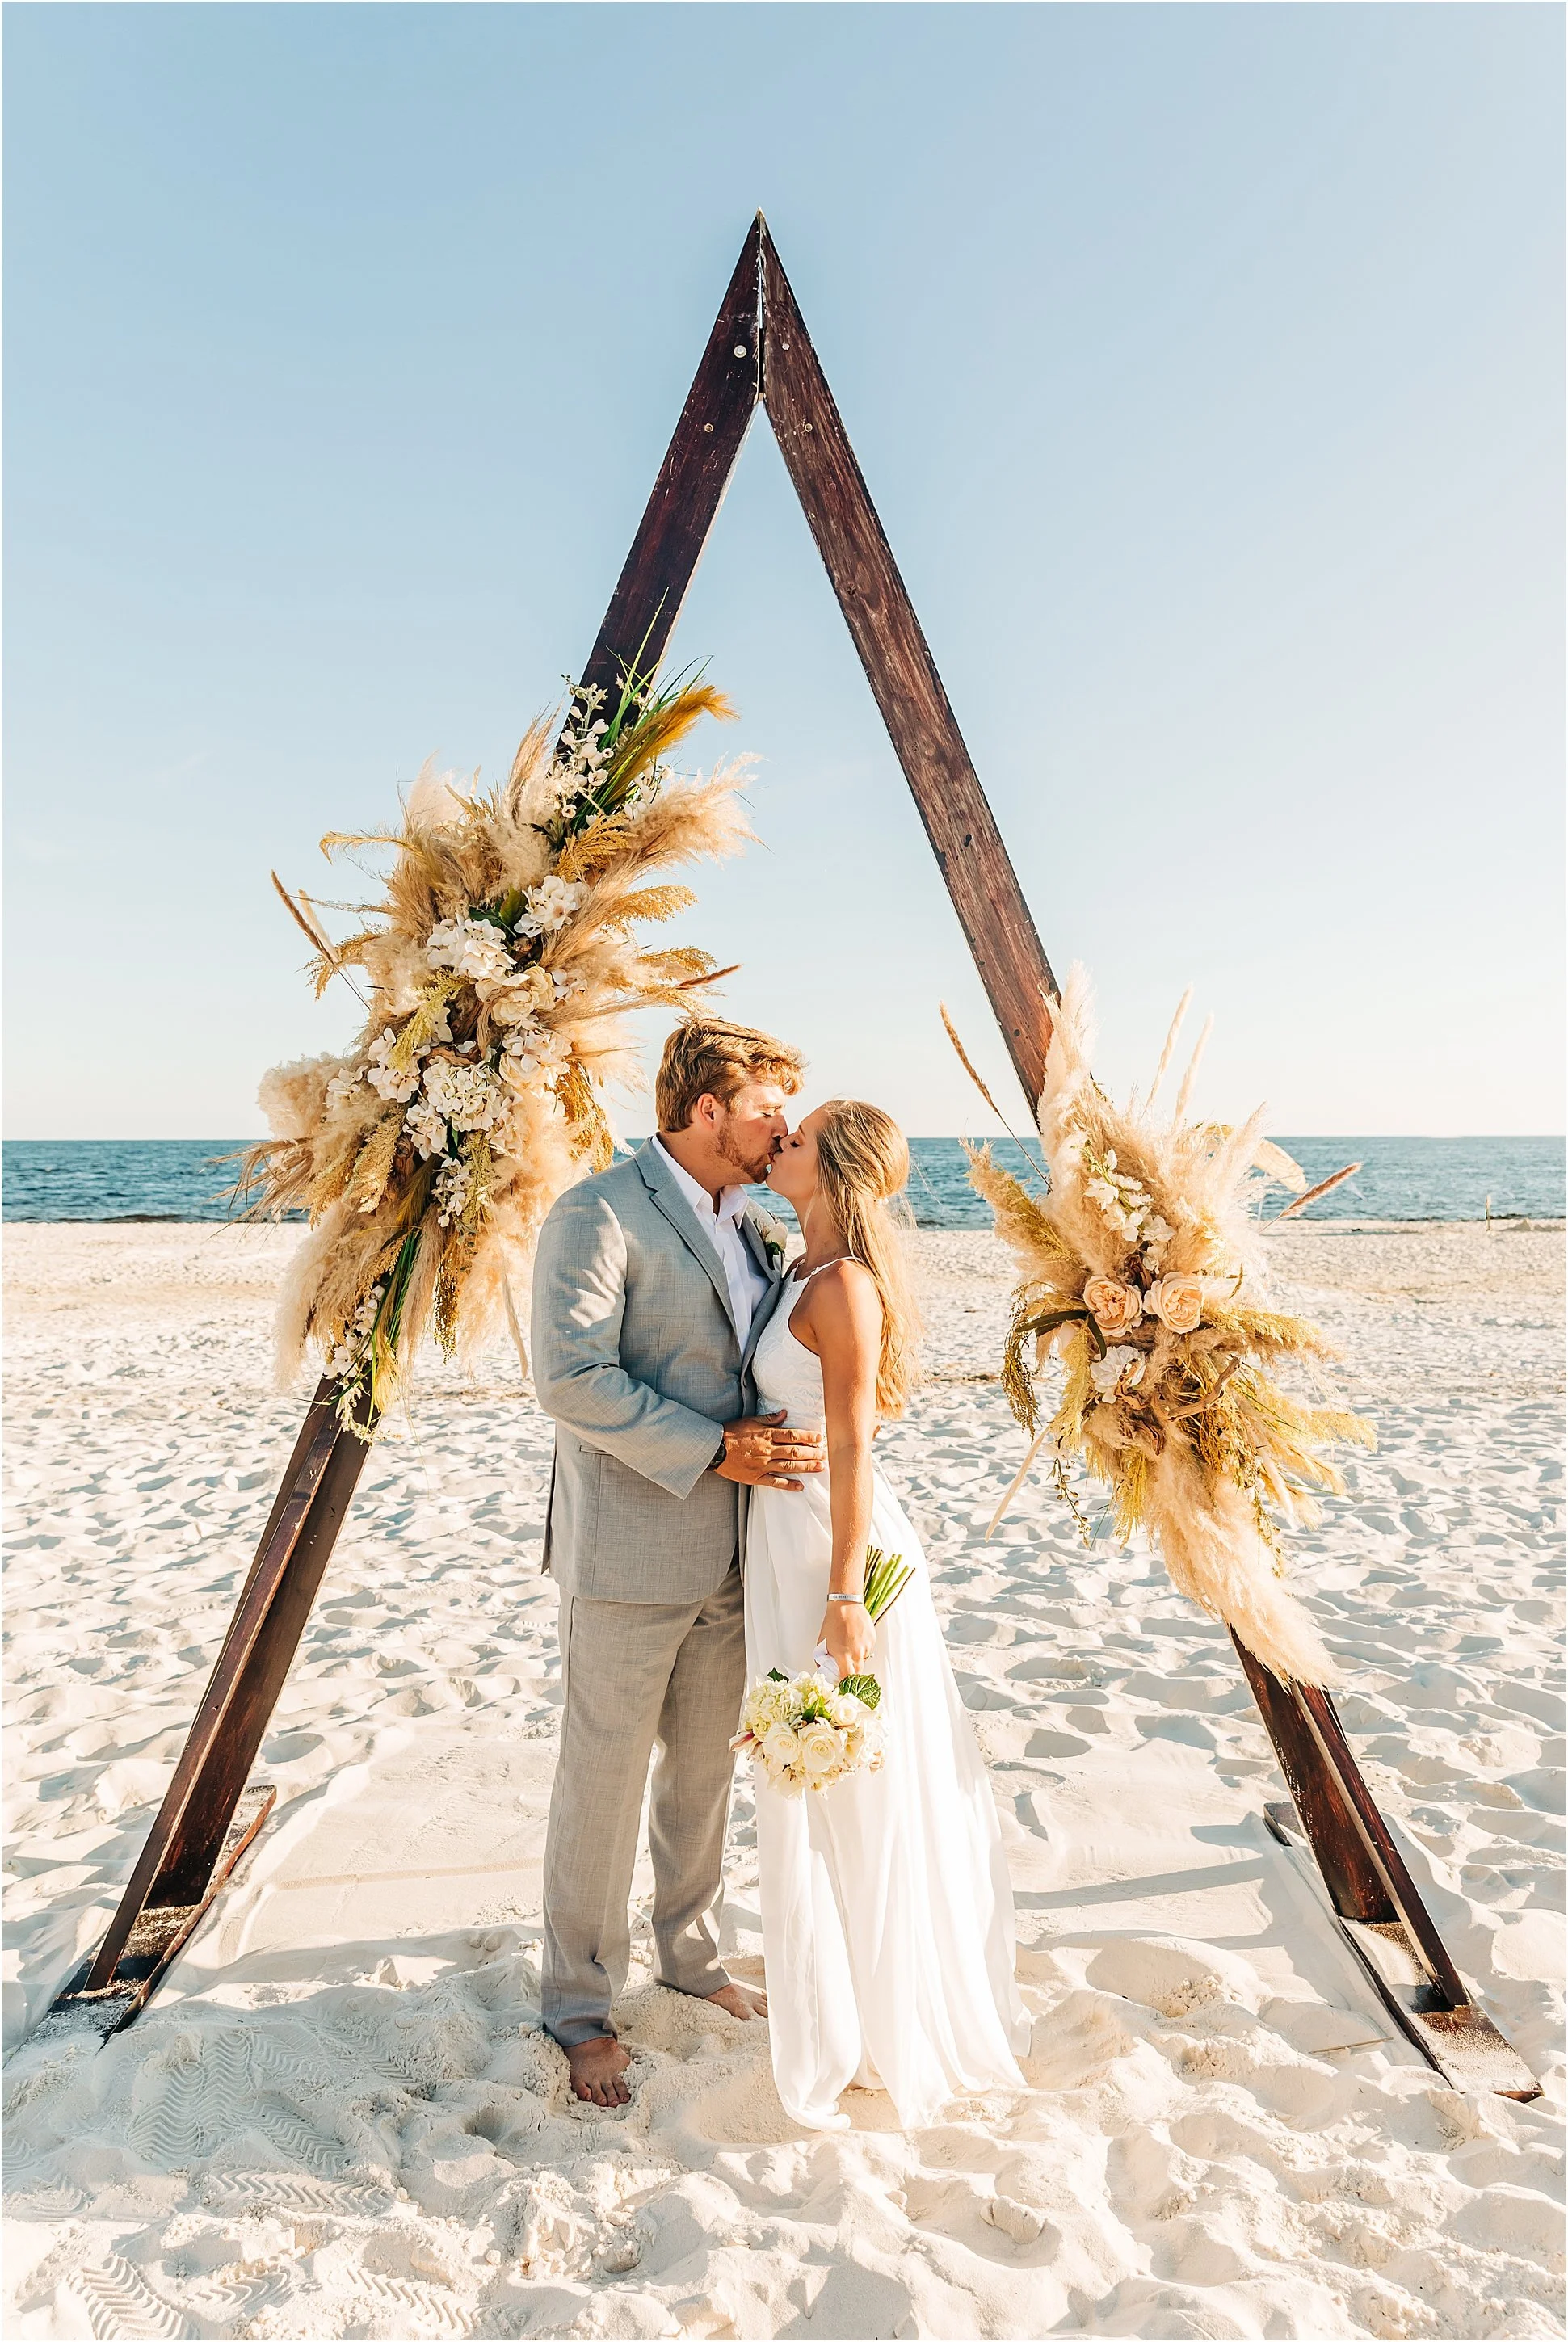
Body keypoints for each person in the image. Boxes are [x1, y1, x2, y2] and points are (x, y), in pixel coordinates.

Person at [529, 1016, 823, 2108]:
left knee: (702, 1781)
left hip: (739, 1555)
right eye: (765, 1108)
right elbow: (568, 1376)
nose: (780, 1127)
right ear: (707, 1109)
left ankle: (691, 1961)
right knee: (600, 1789)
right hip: (629, 1549)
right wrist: (715, 1448)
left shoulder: (747, 1219)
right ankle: (577, 2008)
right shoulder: (596, 1211)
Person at [748, 1099, 1030, 2129]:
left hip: (839, 1558)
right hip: (786, 1545)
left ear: (833, 1168)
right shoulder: (793, 1268)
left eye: (799, 1135)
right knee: (814, 1780)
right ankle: (844, 2005)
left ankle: (881, 2026)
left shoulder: (847, 1288)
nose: (780, 1138)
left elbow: (857, 1446)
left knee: (856, 1785)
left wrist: (841, 1593)